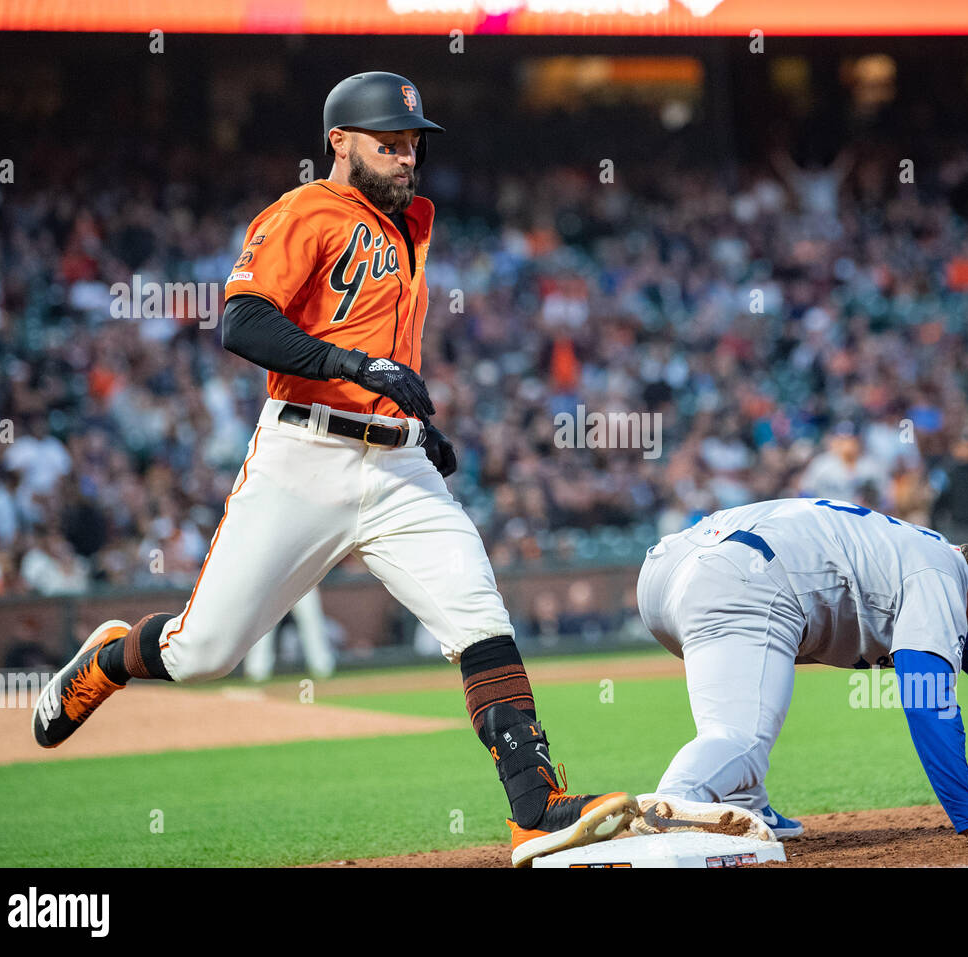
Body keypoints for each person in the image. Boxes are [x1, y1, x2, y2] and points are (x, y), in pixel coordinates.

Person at [31, 71, 636, 867]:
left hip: (398, 466)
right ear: (339, 141)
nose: (407, 157)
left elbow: (389, 356)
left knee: (478, 615)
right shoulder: (304, 210)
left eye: (413, 142)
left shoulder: (412, 222)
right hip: (302, 458)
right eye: (389, 142)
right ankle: (112, 656)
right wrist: (351, 364)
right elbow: (242, 322)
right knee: (204, 653)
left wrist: (423, 422)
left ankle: (537, 809)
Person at [631, 496, 968, 845]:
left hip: (672, 570)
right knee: (739, 738)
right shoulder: (934, 578)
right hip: (740, 579)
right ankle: (669, 806)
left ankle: (743, 804)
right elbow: (929, 700)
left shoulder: (936, 564)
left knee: (744, 719)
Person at [242, 586, 333, 681]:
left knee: (312, 621)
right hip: (275, 582)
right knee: (263, 627)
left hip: (303, 580)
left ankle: (322, 667)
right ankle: (257, 670)